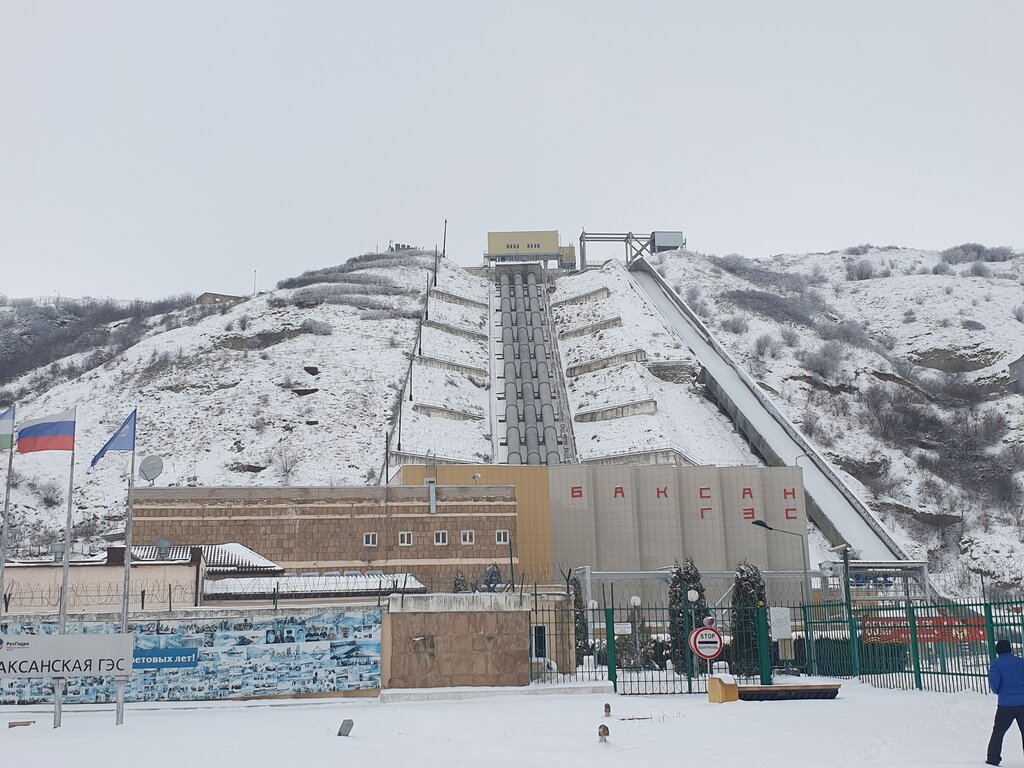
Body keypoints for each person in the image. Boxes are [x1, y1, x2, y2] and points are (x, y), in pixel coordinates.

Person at [987, 639, 1024, 765]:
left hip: (1005, 705)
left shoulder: (996, 664)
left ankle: (993, 758)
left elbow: (994, 685)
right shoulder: (1021, 662)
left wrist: (1001, 693)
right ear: (1010, 649)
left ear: (997, 651)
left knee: (998, 732)